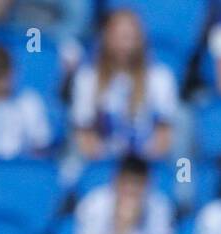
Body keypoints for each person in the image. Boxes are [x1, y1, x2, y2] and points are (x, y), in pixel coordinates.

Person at [69, 7, 177, 161]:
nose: (124, 44)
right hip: (102, 161)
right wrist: (107, 158)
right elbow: (83, 133)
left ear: (140, 39)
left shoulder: (160, 77)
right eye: (119, 36)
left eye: (130, 37)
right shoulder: (87, 78)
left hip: (145, 163)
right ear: (106, 37)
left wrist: (140, 159)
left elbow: (164, 133)